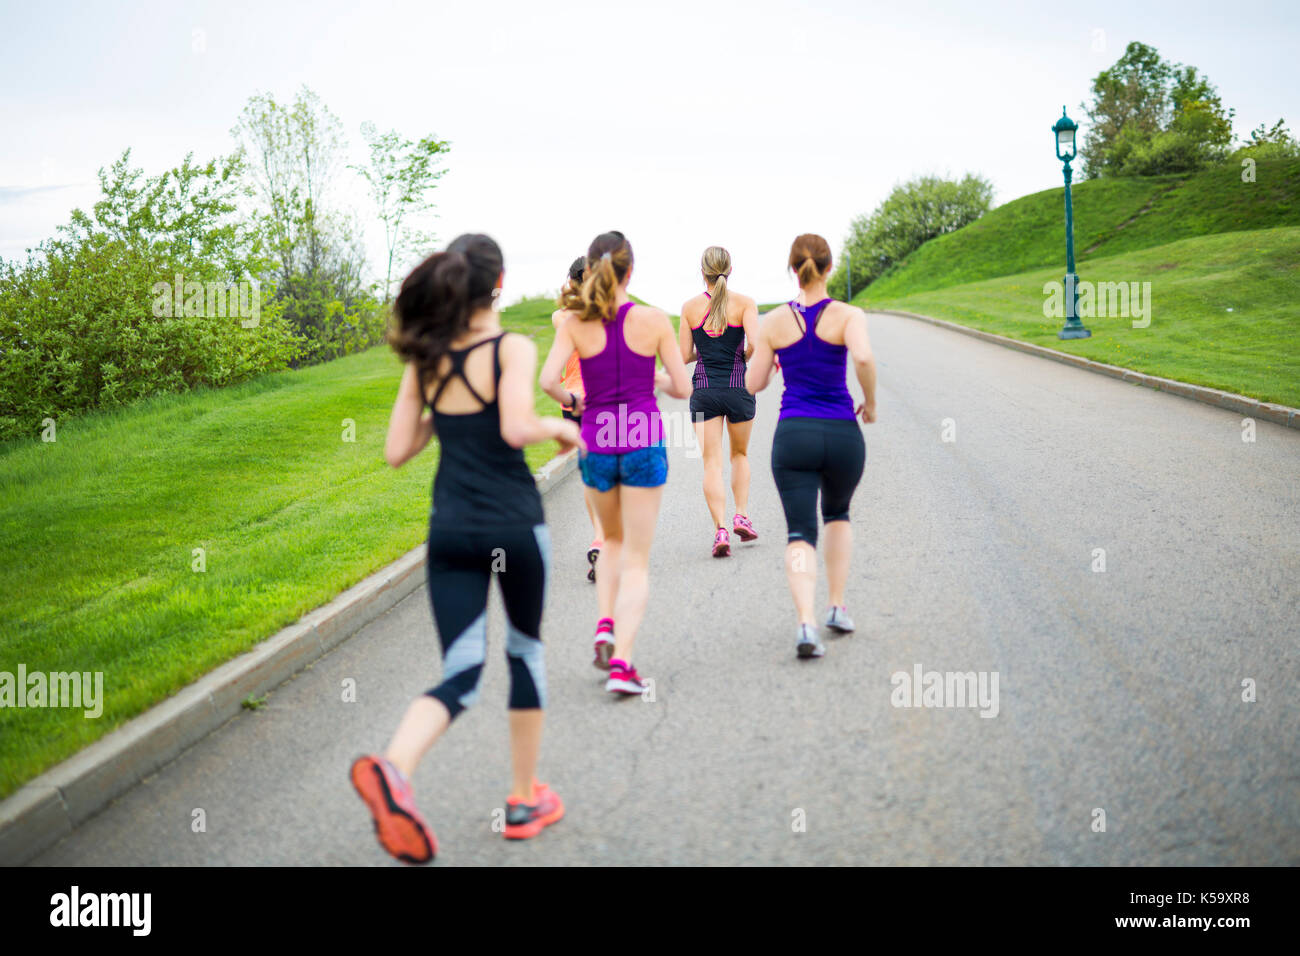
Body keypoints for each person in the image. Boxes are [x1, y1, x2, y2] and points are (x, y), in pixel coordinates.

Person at [351, 234, 582, 863]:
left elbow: (398, 450)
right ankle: (521, 799)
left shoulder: (424, 360)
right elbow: (513, 427)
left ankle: (395, 768)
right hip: (511, 524)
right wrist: (562, 428)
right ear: (499, 282)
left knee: (462, 668)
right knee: (525, 651)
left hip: (450, 530)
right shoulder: (510, 347)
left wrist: (440, 405)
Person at [540, 231, 692, 695]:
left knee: (609, 541)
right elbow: (684, 389)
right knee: (637, 561)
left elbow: (549, 381)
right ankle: (623, 663)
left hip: (598, 442)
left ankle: (604, 623)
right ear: (631, 271)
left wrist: (576, 400)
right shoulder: (653, 321)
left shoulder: (573, 323)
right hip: (642, 439)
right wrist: (659, 379)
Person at [745, 233, 877, 659]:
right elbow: (862, 358)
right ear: (829, 267)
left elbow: (754, 383)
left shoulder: (774, 323)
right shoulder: (848, 314)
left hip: (794, 435)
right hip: (842, 432)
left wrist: (778, 360)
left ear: (792, 269)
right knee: (838, 514)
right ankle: (837, 606)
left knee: (800, 534)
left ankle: (806, 622)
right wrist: (869, 403)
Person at [678, 245, 759, 557]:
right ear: (730, 270)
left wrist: (707, 351)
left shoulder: (688, 308)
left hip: (705, 391)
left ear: (703, 273)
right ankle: (741, 514)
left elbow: (685, 355)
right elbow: (755, 344)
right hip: (739, 387)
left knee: (711, 463)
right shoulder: (745, 303)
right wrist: (738, 355)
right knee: (739, 455)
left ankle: (721, 530)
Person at [554, 257, 604, 582]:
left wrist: (568, 291)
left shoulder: (563, 317)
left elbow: (563, 309)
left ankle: (600, 536)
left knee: (590, 471)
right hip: (603, 397)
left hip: (572, 400)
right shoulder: (607, 314)